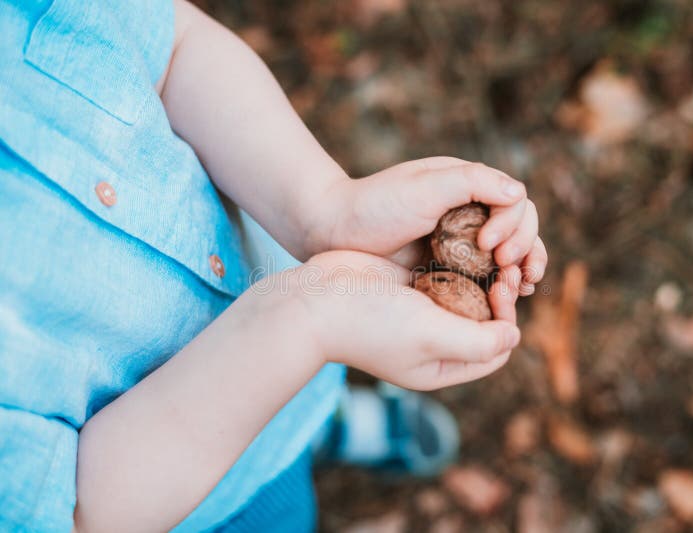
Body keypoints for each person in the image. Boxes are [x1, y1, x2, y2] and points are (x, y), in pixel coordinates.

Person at [0, 0, 547, 531]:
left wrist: (328, 210)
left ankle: (325, 421)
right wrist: (307, 318)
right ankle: (321, 428)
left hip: (299, 292)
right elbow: (78, 516)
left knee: (309, 395)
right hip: (211, 497)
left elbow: (173, 46)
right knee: (284, 507)